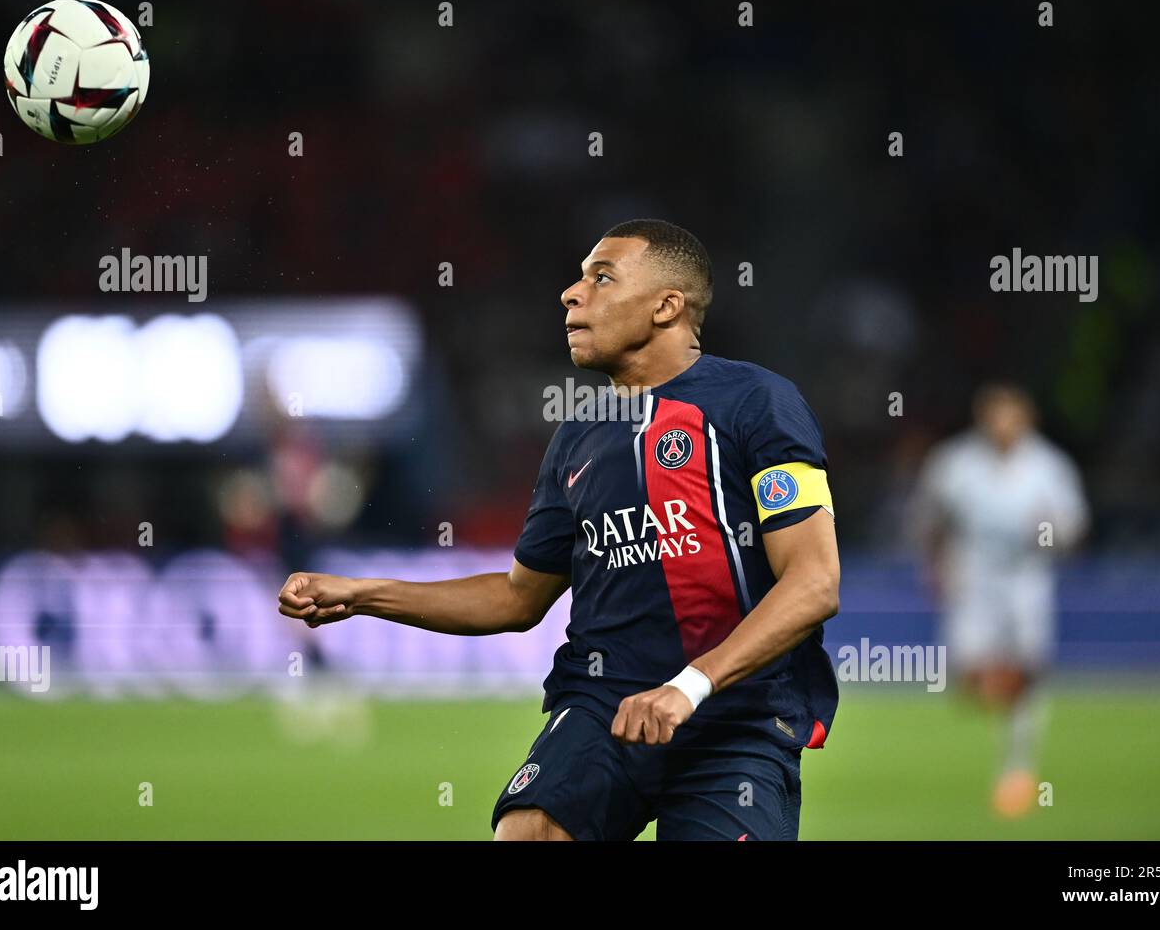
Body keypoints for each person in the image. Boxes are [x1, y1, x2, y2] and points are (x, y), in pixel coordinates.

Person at [277, 219, 842, 840]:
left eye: (601, 278)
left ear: (667, 306)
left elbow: (814, 583)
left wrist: (689, 686)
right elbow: (517, 598)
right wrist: (362, 595)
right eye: (578, 278)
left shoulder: (756, 402)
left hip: (738, 715)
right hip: (603, 705)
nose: (572, 294)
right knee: (531, 830)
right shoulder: (578, 436)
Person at [911, 383, 1088, 817]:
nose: (1002, 426)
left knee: (1028, 669)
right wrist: (932, 563)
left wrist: (1051, 531)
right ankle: (997, 696)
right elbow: (929, 516)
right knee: (967, 669)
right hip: (973, 573)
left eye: (1011, 417)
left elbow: (1075, 528)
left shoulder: (1049, 467)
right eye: (995, 416)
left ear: (1027, 420)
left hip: (1027, 576)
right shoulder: (956, 463)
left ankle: (1018, 768)